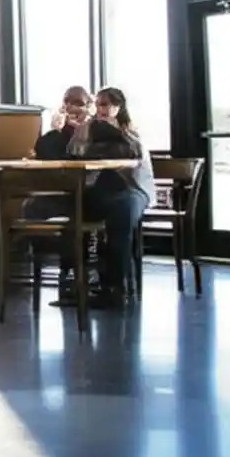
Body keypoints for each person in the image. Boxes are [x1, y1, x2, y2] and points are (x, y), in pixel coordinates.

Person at [66, 86, 155, 307]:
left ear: (118, 106)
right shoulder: (89, 128)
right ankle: (75, 284)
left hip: (133, 189)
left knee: (122, 211)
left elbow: (135, 153)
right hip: (104, 190)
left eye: (105, 104)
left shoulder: (130, 131)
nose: (100, 109)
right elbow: (74, 152)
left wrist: (116, 132)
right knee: (72, 206)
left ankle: (115, 288)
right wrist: (79, 132)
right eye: (97, 105)